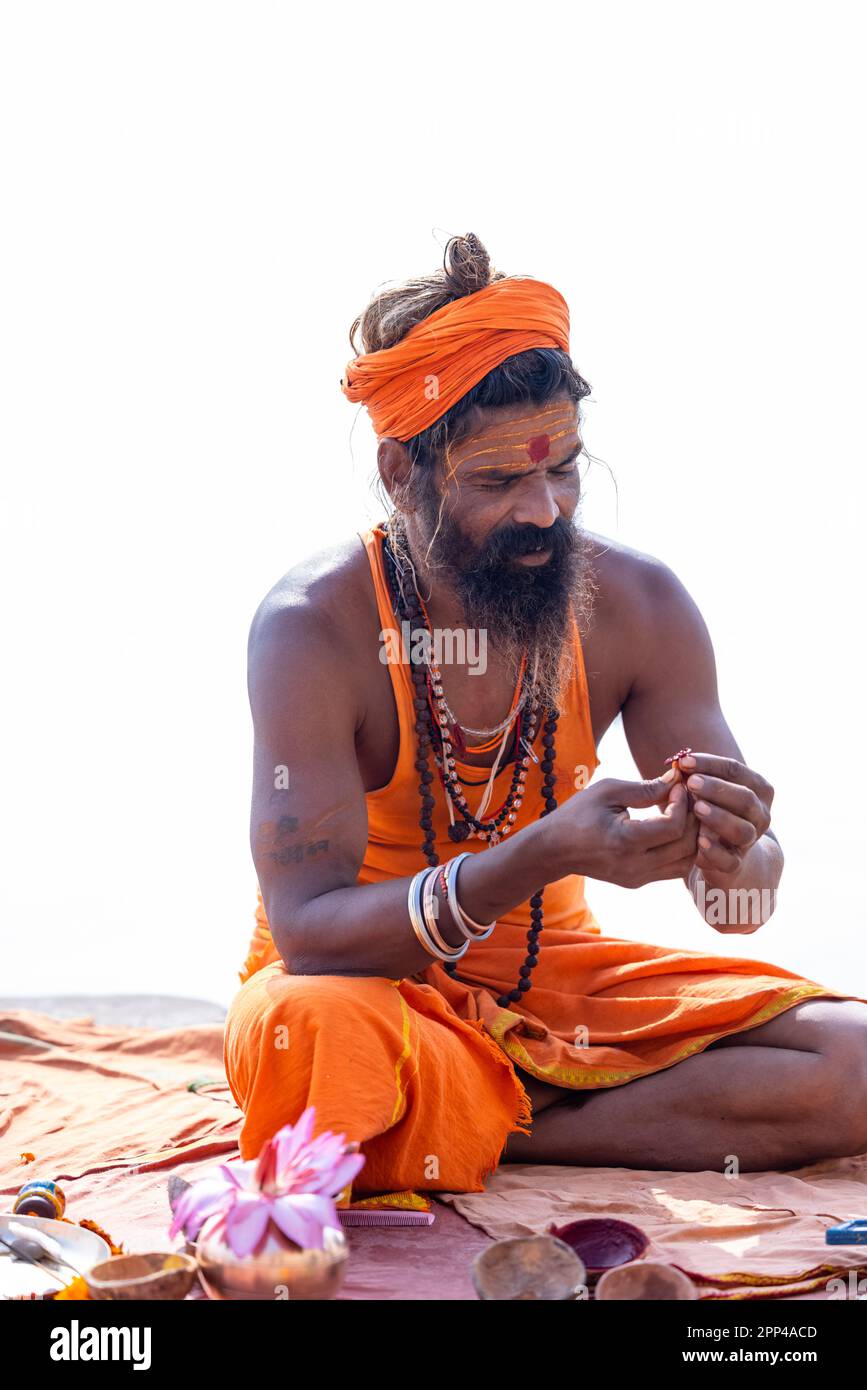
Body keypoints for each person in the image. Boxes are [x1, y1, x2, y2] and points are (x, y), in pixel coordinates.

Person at [223, 234, 867, 1198]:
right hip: (367, 989)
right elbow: (310, 933)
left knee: (854, 1061)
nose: (544, 511)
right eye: (497, 482)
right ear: (403, 473)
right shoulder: (313, 625)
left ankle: (492, 1129)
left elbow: (739, 911)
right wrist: (541, 854)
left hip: (559, 981)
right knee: (310, 1033)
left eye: (562, 468)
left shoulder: (639, 605)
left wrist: (737, 852)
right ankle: (491, 1109)